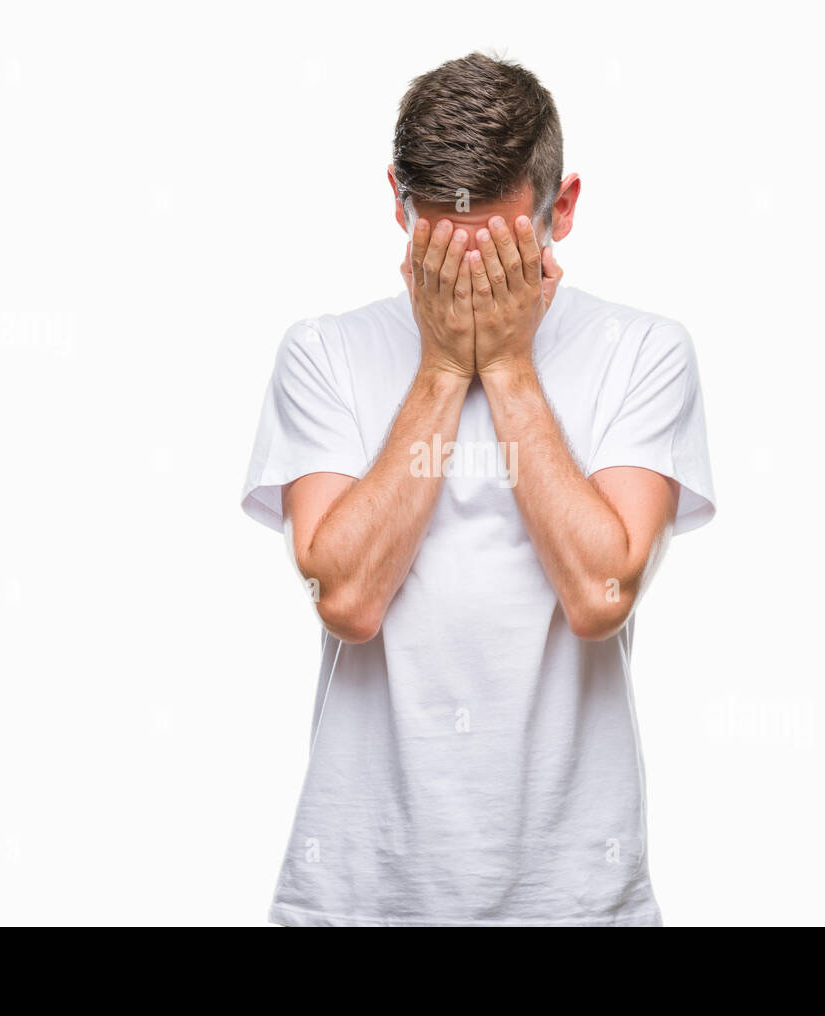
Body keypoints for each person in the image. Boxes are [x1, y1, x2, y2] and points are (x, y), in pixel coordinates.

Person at [240, 51, 716, 926]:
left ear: (560, 209)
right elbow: (344, 595)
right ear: (398, 202)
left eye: (499, 255)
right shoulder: (324, 354)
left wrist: (503, 365)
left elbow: (601, 591)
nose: (467, 285)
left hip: (573, 902)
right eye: (439, 249)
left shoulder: (643, 352)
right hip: (358, 898)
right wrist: (438, 370)